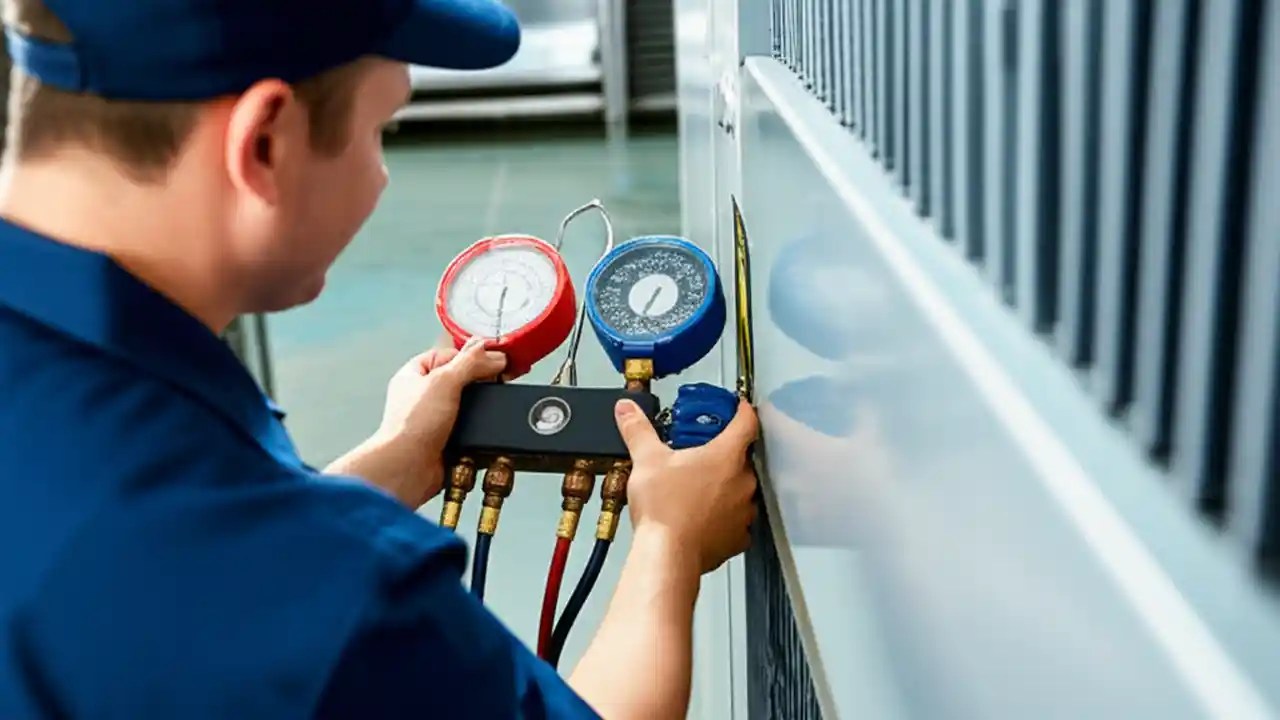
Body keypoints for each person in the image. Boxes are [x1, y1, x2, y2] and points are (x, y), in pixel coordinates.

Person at [0, 0, 760, 717]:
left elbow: (163, 584)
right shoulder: (335, 586)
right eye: (379, 131)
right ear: (264, 144)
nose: (381, 174)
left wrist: (385, 467)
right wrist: (672, 539)